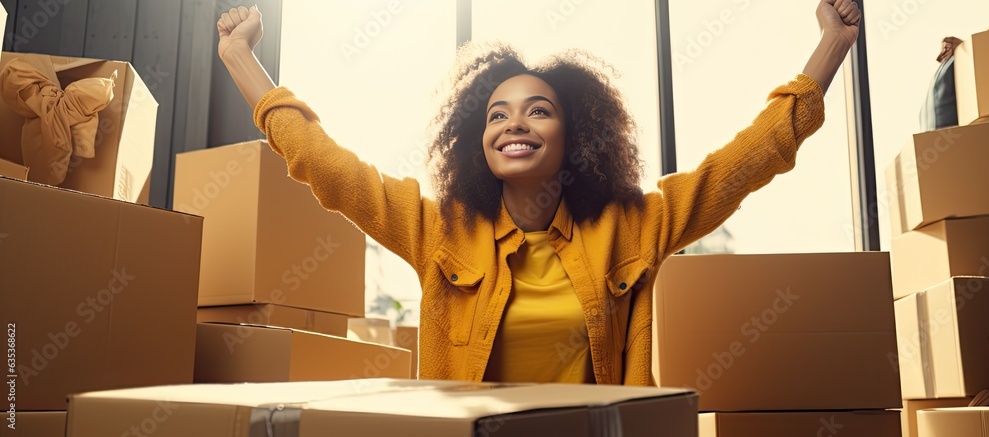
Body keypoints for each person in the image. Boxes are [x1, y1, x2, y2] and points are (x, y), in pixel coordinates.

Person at [216, 0, 862, 386]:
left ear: (576, 133)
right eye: (497, 114)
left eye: (537, 111)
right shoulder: (435, 230)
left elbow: (743, 163)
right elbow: (325, 165)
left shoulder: (635, 226)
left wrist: (830, 46)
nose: (514, 124)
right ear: (477, 137)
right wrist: (243, 61)